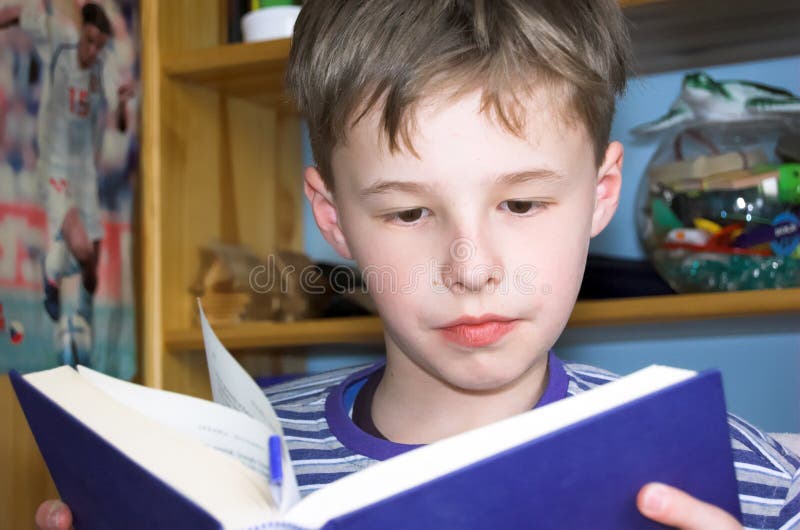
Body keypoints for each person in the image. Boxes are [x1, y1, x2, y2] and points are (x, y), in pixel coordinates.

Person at [35, 1, 799, 529]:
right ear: (333, 218)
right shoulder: (227, 463)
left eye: (522, 203)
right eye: (408, 213)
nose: (471, 268)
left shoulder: (734, 474)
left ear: (601, 195)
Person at [0, 1, 133, 365]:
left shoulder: (104, 67)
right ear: (81, 33)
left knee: (92, 268)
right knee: (83, 249)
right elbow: (17, 13)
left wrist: (123, 105)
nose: (92, 51)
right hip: (55, 169)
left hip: (85, 175)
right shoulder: (57, 36)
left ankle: (82, 311)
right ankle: (51, 276)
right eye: (89, 41)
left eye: (99, 45)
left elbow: (121, 124)